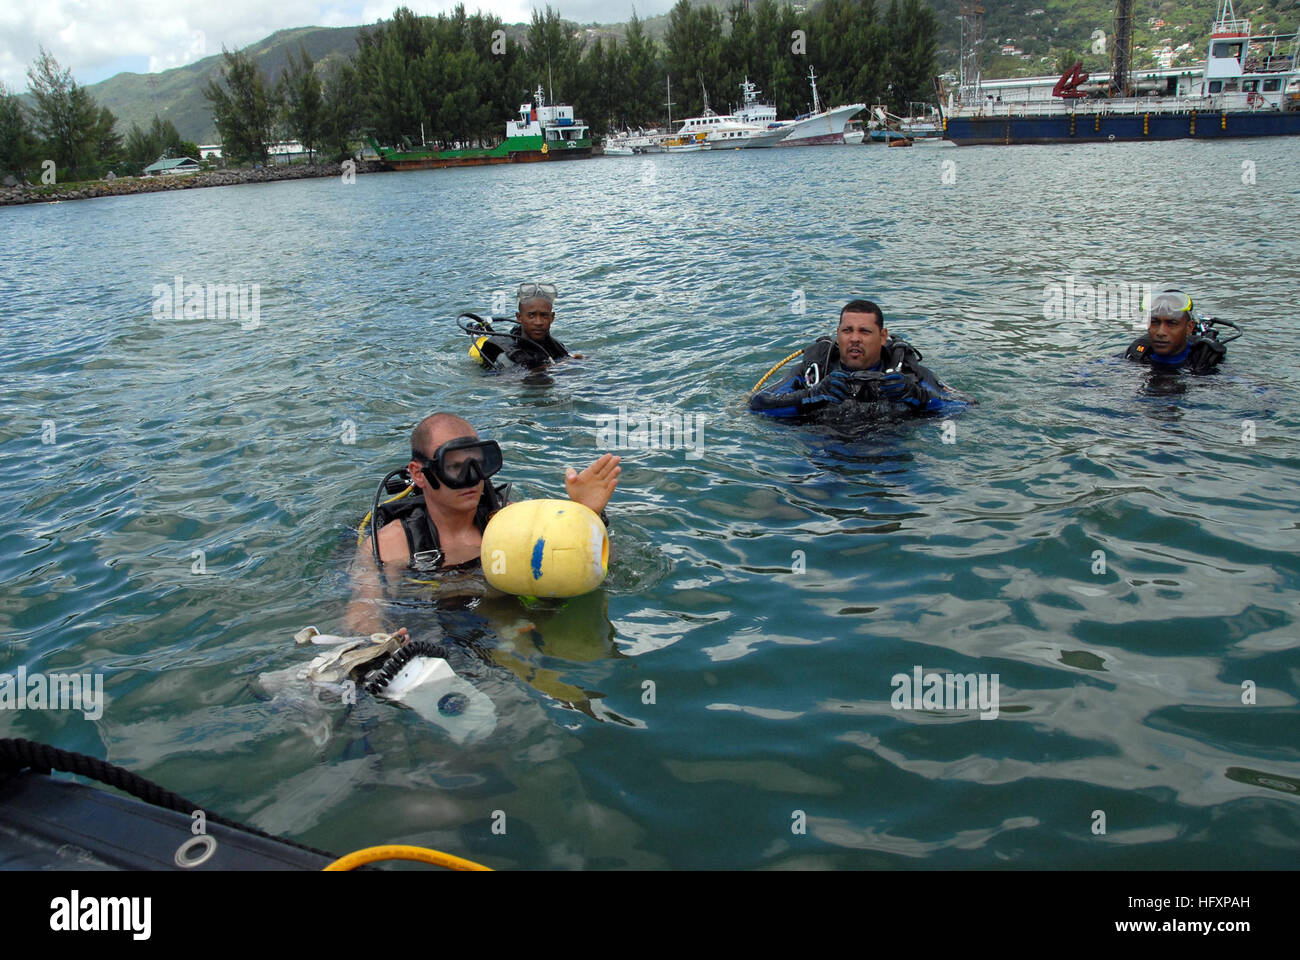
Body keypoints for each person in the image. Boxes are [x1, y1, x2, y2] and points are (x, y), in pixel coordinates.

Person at [346, 412, 619, 633]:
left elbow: (601, 569)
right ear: (419, 474)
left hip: (516, 630)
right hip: (436, 635)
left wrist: (587, 516)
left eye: (477, 464)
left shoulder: (511, 521)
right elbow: (361, 616)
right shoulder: (393, 546)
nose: (473, 478)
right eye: (455, 467)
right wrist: (384, 642)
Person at [749, 299, 965, 418]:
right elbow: (758, 403)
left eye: (864, 331)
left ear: (883, 337)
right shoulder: (815, 371)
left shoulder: (907, 372)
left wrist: (917, 395)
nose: (854, 339)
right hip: (824, 450)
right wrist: (812, 395)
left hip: (890, 451)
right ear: (838, 333)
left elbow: (965, 405)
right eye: (847, 331)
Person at [475, 282, 581, 368]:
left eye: (544, 315)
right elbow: (502, 382)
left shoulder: (555, 346)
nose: (538, 322)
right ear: (519, 317)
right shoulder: (506, 354)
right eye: (531, 315)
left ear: (552, 317)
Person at [1123, 290, 1225, 373]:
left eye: (1172, 323)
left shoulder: (1204, 358)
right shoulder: (1138, 352)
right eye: (1154, 322)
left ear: (1189, 327)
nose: (1161, 332)